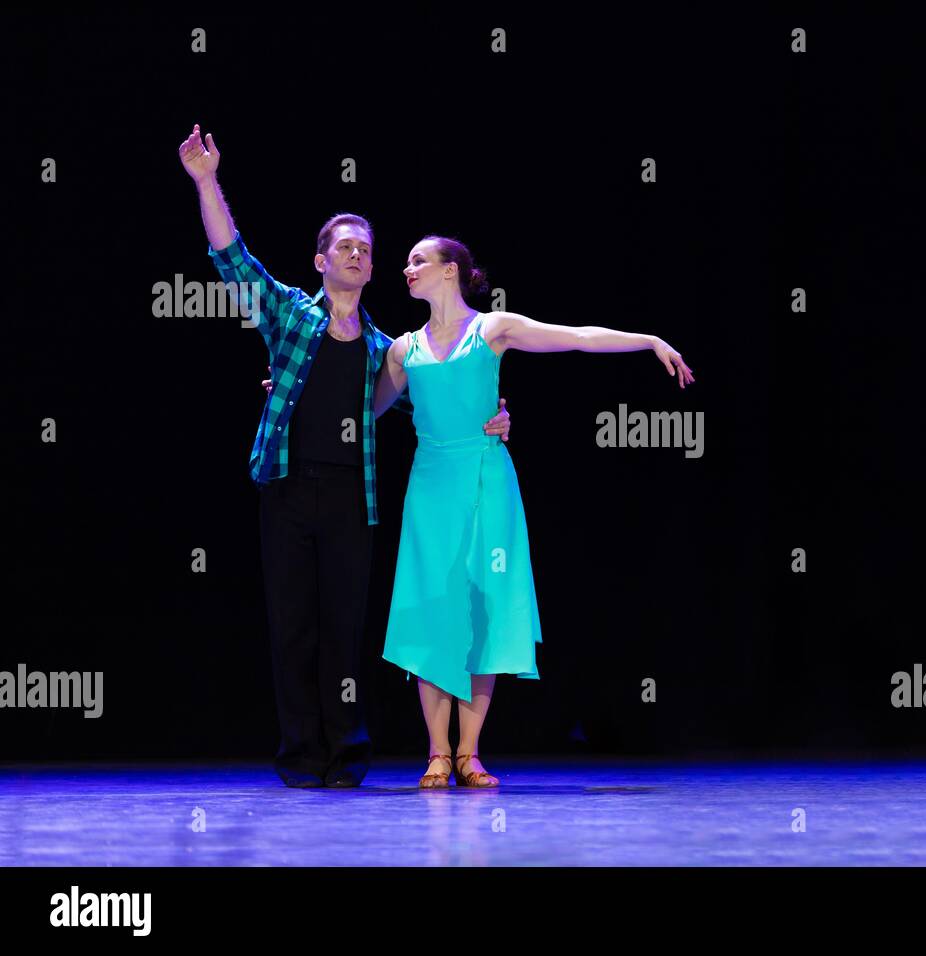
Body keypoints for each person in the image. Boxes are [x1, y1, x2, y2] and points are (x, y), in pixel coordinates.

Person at [177, 125, 513, 788]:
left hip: (349, 497)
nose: (359, 255)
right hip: (288, 490)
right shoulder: (290, 316)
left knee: (344, 631)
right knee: (292, 628)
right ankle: (301, 754)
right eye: (346, 247)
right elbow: (232, 258)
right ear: (321, 261)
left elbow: (446, 398)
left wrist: (497, 419)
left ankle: (346, 754)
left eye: (366, 248)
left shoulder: (389, 348)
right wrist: (206, 180)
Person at [373, 233, 695, 788]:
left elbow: (575, 337)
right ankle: (436, 753)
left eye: (418, 261)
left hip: (487, 478)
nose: (407, 269)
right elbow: (362, 407)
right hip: (431, 486)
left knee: (483, 610)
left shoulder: (491, 329)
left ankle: (468, 754)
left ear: (450, 271)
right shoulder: (404, 349)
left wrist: (647, 339)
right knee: (432, 610)